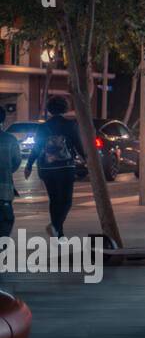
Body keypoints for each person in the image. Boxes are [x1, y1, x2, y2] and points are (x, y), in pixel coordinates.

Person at [24, 96, 85, 237]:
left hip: (46, 168)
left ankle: (59, 234)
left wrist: (28, 165)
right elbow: (78, 144)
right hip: (65, 167)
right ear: (65, 108)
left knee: (54, 200)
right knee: (67, 201)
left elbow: (36, 148)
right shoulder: (71, 125)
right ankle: (56, 226)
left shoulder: (42, 127)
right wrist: (85, 158)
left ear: (49, 109)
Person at [0, 107, 22, 239]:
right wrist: (6, 171)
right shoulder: (10, 140)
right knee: (5, 222)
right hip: (4, 191)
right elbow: (16, 162)